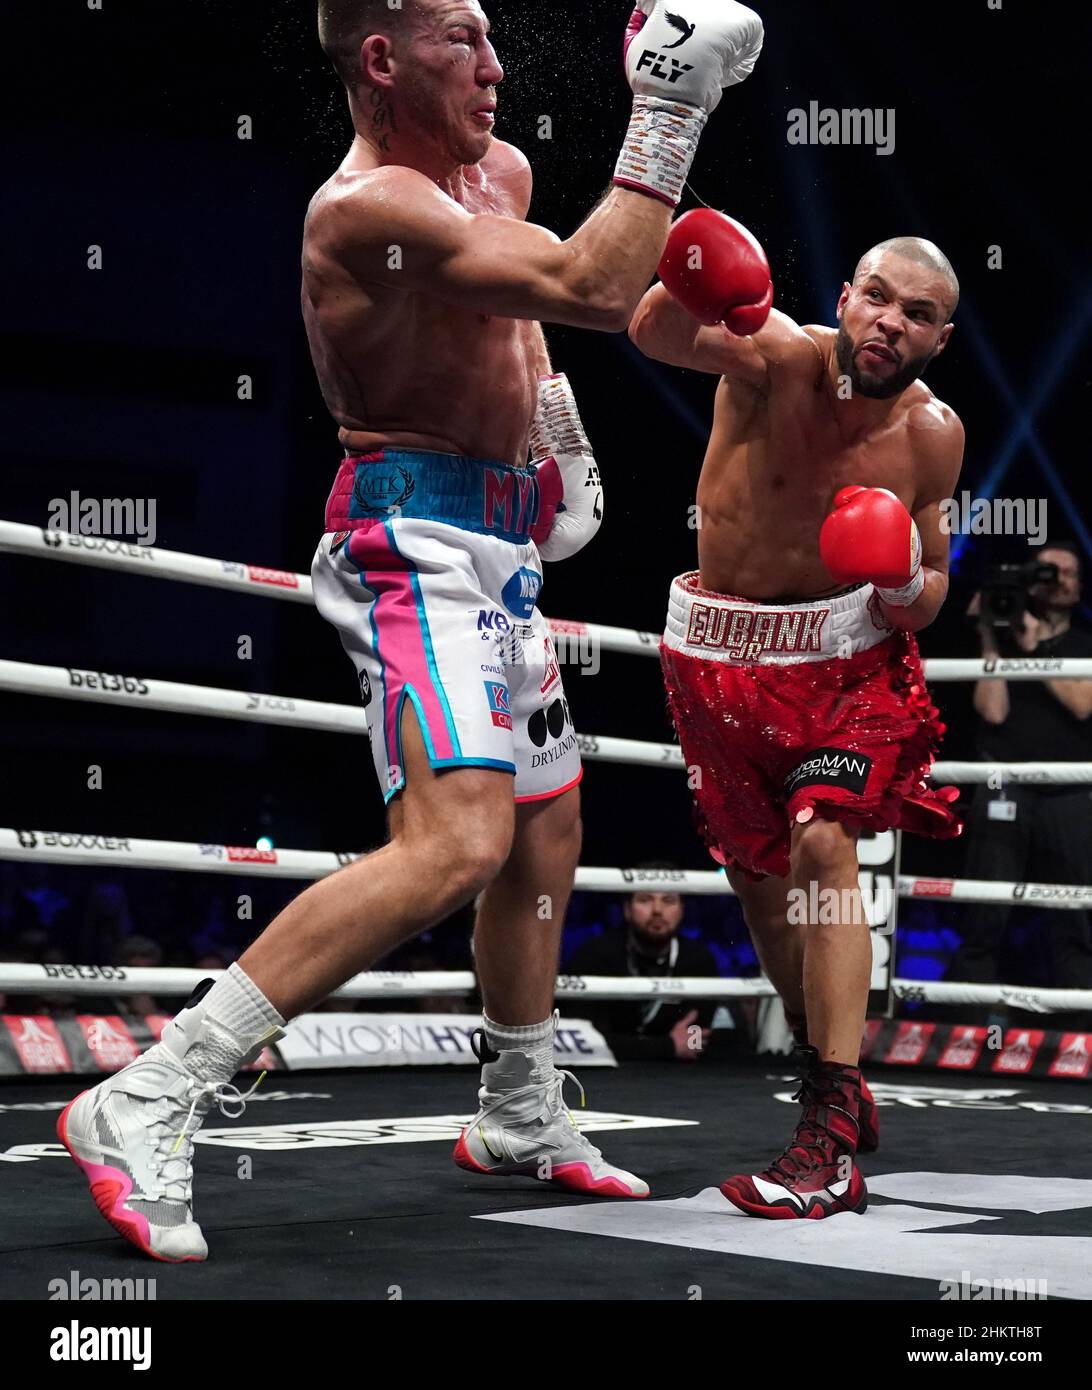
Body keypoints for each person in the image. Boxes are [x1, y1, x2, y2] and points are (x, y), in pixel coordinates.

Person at [57, 0, 766, 1261]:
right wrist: (670, 109)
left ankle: (515, 1108)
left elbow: (527, 315)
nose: (498, 68)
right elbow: (592, 282)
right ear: (381, 59)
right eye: (462, 42)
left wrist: (560, 431)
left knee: (548, 831)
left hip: (499, 544)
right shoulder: (362, 211)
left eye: (496, 39)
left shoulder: (500, 170)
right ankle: (147, 1092)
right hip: (412, 539)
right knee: (455, 844)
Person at [630, 221, 965, 1217]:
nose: (890, 321)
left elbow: (935, 578)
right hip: (715, 659)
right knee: (764, 887)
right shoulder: (774, 352)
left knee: (826, 844)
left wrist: (904, 575)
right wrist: (711, 293)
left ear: (939, 339)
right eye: (877, 295)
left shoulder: (932, 432)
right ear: (846, 293)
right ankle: (835, 1074)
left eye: (919, 314)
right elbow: (648, 328)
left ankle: (825, 1128)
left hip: (843, 664)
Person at [949, 542, 1092, 992]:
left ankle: (1080, 1032)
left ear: (1080, 586)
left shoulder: (1085, 643)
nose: (1058, 580)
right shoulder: (1006, 634)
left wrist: (1030, 645)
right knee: (984, 911)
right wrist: (991, 637)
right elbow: (992, 711)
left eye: (1067, 572)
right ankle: (969, 1023)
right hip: (1004, 783)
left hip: (1070, 794)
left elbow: (1083, 704)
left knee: (1073, 917)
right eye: (1048, 571)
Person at [566, 869, 718, 1061]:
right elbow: (583, 1040)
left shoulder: (698, 959)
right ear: (627, 910)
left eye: (668, 900)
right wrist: (666, 1046)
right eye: (645, 899)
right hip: (604, 1076)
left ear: (681, 910)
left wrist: (684, 1044)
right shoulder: (595, 954)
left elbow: (693, 1044)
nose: (657, 910)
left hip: (679, 1078)